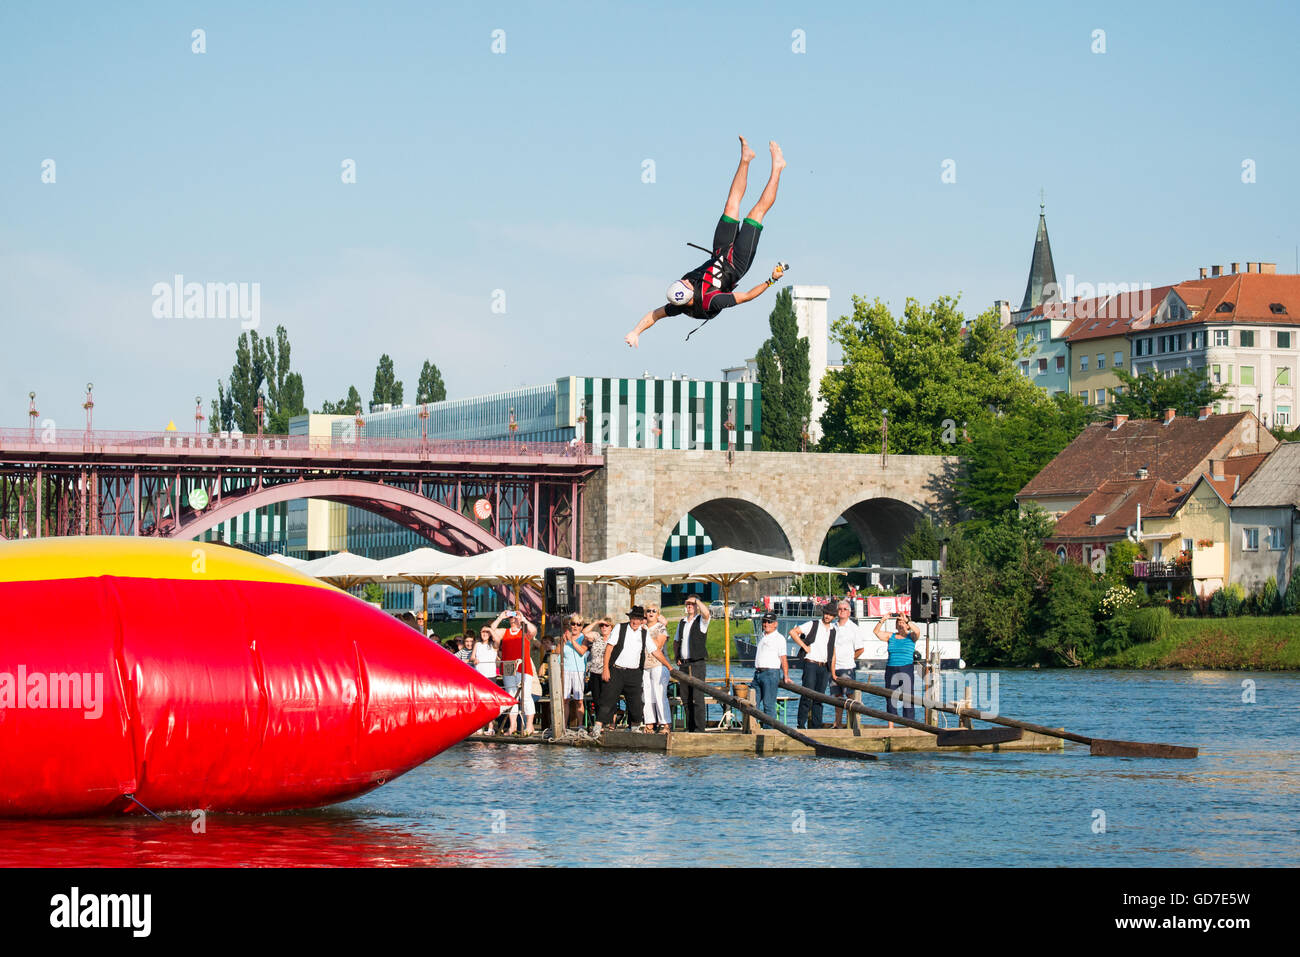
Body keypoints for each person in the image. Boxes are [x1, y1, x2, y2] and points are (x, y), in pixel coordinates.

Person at [624, 137, 787, 347]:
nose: (689, 281)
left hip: (719, 253)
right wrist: (771, 280)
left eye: (685, 281)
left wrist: (635, 331)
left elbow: (653, 315)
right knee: (756, 212)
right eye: (689, 284)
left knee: (731, 205)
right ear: (690, 298)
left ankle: (746, 159)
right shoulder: (712, 301)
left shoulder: (676, 303)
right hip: (737, 263)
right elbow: (746, 296)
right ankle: (778, 168)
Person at [593, 606, 672, 736]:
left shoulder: (644, 633)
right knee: (607, 699)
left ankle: (635, 729)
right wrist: (606, 669)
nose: (635, 622)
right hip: (617, 670)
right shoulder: (620, 628)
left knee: (636, 703)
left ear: (642, 620)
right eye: (633, 618)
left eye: (638, 619)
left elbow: (655, 651)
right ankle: (598, 726)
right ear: (630, 618)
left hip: (634, 673)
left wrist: (669, 666)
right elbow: (609, 648)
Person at [492, 608, 540, 736]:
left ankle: (529, 725)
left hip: (523, 667)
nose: (513, 619)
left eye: (514, 617)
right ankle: (512, 725)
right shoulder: (505, 632)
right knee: (511, 695)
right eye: (511, 617)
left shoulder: (524, 631)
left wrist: (523, 619)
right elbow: (492, 631)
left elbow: (534, 630)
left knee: (525, 696)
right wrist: (500, 617)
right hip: (509, 666)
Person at [789, 601, 835, 729]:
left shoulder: (833, 630)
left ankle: (816, 726)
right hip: (811, 663)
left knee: (819, 697)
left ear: (833, 617)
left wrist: (832, 670)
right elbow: (793, 632)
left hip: (824, 666)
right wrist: (804, 646)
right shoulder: (813, 624)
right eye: (826, 613)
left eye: (830, 615)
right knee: (807, 694)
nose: (827, 616)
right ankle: (801, 724)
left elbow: (833, 650)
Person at [825, 599, 867, 729]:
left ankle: (852, 722)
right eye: (839, 609)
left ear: (849, 612)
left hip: (847, 667)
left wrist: (850, 658)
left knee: (849, 695)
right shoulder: (832, 627)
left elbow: (860, 649)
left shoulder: (854, 628)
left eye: (844, 609)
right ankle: (837, 723)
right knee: (836, 697)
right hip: (833, 667)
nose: (842, 611)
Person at [673, 596, 712, 732]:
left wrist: (697, 601)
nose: (689, 606)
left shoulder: (700, 621)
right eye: (687, 604)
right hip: (684, 664)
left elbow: (706, 613)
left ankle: (699, 729)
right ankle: (689, 728)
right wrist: (677, 655)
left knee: (697, 698)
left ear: (696, 606)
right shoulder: (682, 622)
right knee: (685, 698)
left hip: (697, 664)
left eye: (692, 604)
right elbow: (676, 641)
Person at [875, 611, 921, 721]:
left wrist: (907, 620)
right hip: (891, 668)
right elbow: (876, 632)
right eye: (898, 621)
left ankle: (909, 724)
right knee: (890, 698)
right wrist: (883, 619)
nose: (900, 624)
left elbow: (918, 631)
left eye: (902, 622)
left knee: (908, 698)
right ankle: (892, 724)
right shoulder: (891, 636)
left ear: (907, 625)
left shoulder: (911, 636)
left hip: (906, 668)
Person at [752, 612, 789, 729]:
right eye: (764, 621)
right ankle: (752, 728)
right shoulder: (762, 636)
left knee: (768, 705)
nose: (766, 624)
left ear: (775, 624)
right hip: (757, 673)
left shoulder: (779, 638)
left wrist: (786, 675)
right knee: (753, 703)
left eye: (769, 622)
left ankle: (769, 732)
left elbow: (783, 658)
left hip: (771, 673)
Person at [642, 605, 671, 733]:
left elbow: (658, 645)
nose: (651, 613)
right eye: (648, 611)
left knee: (660, 695)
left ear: (658, 614)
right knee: (647, 696)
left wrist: (646, 633)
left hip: (659, 664)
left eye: (654, 611)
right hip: (645, 665)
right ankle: (649, 723)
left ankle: (665, 724)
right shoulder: (642, 628)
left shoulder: (660, 627)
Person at [560, 616, 589, 730]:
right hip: (566, 670)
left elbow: (582, 651)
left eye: (578, 624)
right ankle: (563, 725)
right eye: (573, 624)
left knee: (579, 700)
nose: (575, 626)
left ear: (581, 627)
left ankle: (581, 725)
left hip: (578, 670)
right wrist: (562, 642)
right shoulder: (564, 637)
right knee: (565, 699)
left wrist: (571, 640)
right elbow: (558, 653)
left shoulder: (584, 637)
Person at [583, 617, 613, 724]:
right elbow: (584, 632)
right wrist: (597, 622)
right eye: (602, 626)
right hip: (594, 671)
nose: (604, 628)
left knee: (608, 699)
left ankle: (609, 723)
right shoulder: (597, 636)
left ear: (611, 627)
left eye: (606, 625)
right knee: (596, 699)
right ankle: (599, 723)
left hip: (608, 671)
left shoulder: (614, 638)